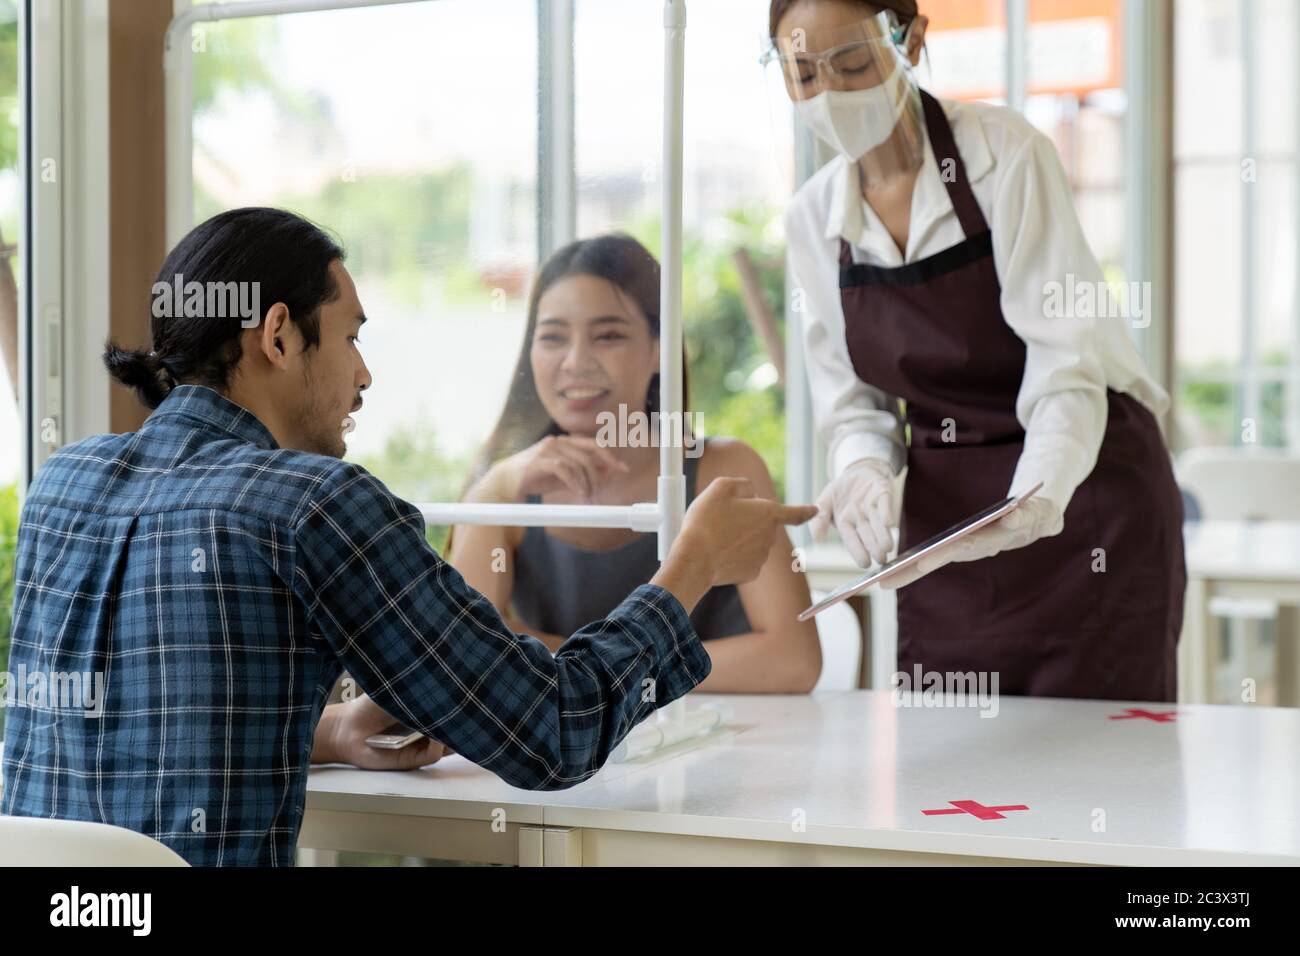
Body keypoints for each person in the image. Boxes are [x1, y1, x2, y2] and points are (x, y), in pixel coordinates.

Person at [0, 207, 816, 865]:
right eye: (352, 336)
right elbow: (556, 733)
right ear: (278, 336)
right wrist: (692, 567)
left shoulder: (63, 486)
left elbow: (128, 725)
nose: (364, 375)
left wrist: (328, 735)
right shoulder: (315, 503)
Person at [769, 0, 1185, 699]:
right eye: (803, 76)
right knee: (951, 786)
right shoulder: (813, 221)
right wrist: (864, 471)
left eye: (852, 65)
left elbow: (1065, 369)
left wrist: (1038, 493)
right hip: (949, 533)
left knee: (1108, 780)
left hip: (1087, 501)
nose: (830, 96)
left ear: (912, 40)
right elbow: (854, 408)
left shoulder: (1006, 157)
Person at [449, 234, 821, 693]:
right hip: (565, 764)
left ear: (659, 350)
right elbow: (463, 664)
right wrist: (497, 487)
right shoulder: (506, 486)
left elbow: (793, 661)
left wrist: (574, 668)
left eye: (608, 335)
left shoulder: (721, 469)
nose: (576, 361)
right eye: (552, 337)